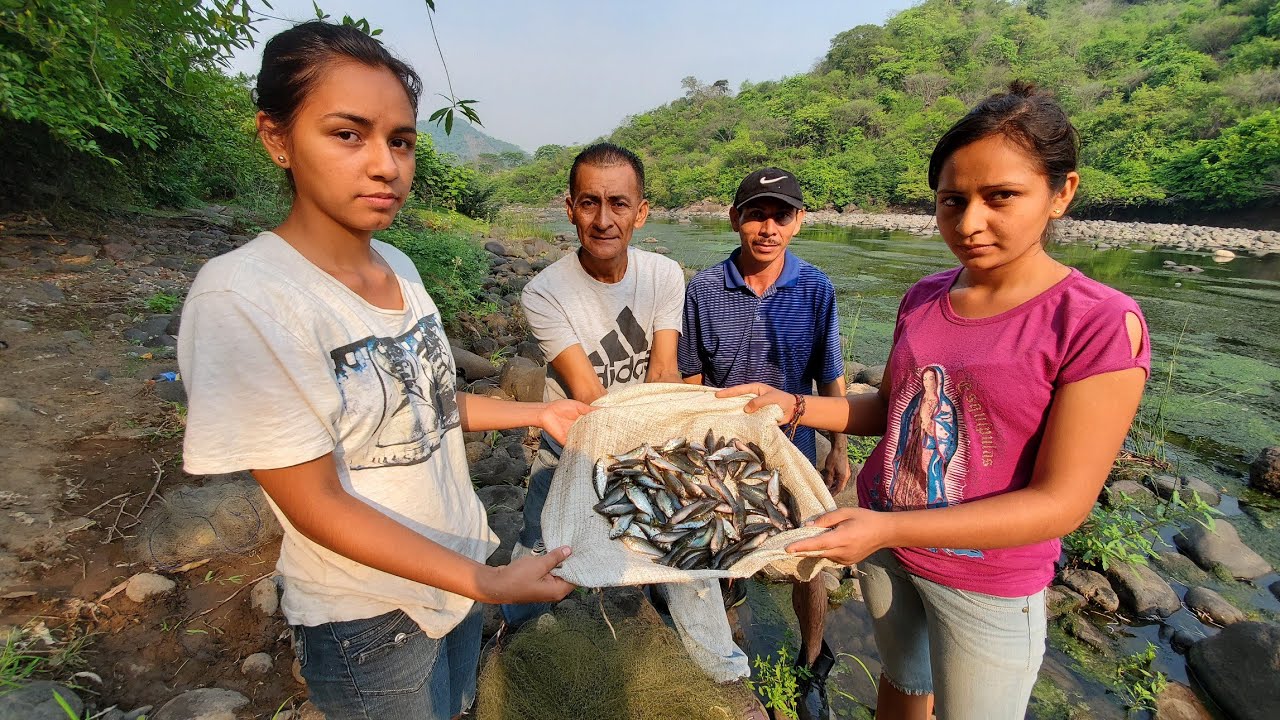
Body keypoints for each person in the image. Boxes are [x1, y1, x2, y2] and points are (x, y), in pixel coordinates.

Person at [176, 22, 589, 720]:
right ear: (276, 138)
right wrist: (489, 584)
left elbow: (425, 403)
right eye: (348, 134)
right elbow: (316, 504)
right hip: (367, 614)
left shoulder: (397, 265)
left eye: (399, 140)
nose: (385, 165)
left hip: (455, 568)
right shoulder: (245, 296)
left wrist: (536, 413)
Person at [721, 82, 1150, 720]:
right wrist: (790, 404)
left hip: (988, 582)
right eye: (953, 201)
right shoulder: (925, 296)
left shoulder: (1098, 322)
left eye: (1000, 196)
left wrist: (887, 527)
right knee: (902, 686)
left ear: (1062, 193)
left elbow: (1061, 504)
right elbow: (893, 411)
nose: (970, 222)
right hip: (890, 553)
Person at [507, 144, 759, 707]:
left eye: (618, 203)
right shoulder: (545, 291)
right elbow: (589, 395)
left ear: (641, 212)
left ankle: (723, 673)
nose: (604, 220)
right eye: (590, 203)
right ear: (569, 208)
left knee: (691, 559)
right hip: (570, 449)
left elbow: (665, 371)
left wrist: (675, 453)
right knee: (540, 551)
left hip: (647, 440)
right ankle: (516, 638)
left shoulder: (665, 273)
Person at [679, 167, 850, 720]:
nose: (767, 227)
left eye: (780, 215)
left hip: (793, 444)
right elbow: (691, 376)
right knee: (725, 552)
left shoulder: (816, 287)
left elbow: (830, 374)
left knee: (813, 557)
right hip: (722, 450)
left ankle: (811, 661)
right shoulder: (705, 288)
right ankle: (732, 656)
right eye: (756, 214)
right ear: (735, 220)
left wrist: (839, 448)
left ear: (798, 222)